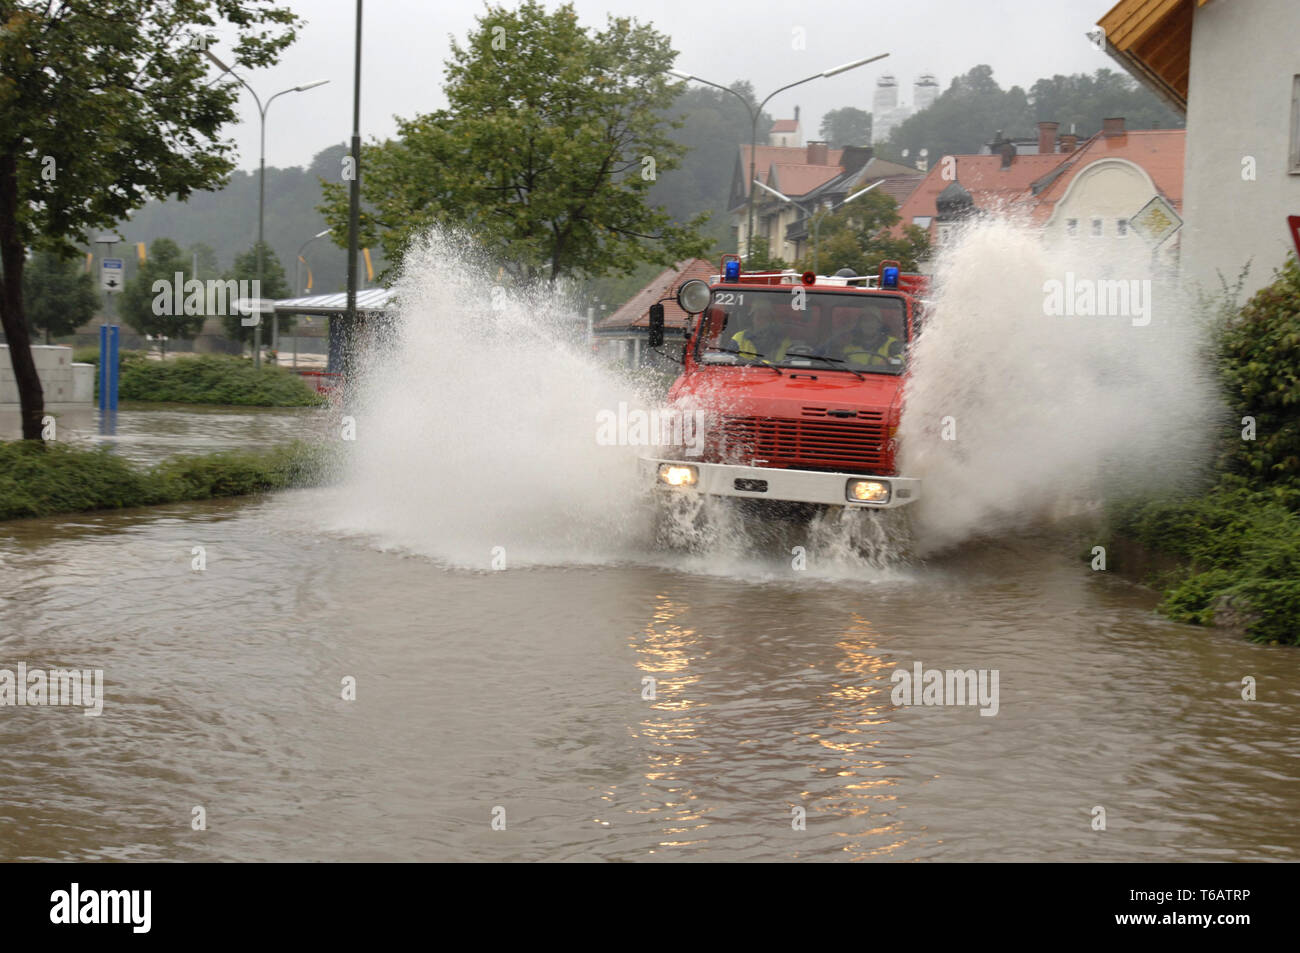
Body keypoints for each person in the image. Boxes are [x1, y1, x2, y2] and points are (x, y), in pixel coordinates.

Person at [731, 296, 793, 363]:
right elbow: (727, 361)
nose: (761, 315)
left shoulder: (783, 341)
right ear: (752, 317)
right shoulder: (739, 338)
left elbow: (790, 364)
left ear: (771, 318)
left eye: (765, 315)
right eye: (758, 313)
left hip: (775, 372)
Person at [837, 311, 904, 368]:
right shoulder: (850, 346)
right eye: (865, 321)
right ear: (859, 325)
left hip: (883, 380)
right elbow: (840, 363)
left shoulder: (892, 343)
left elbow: (903, 361)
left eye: (872, 321)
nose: (869, 324)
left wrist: (890, 361)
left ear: (879, 324)